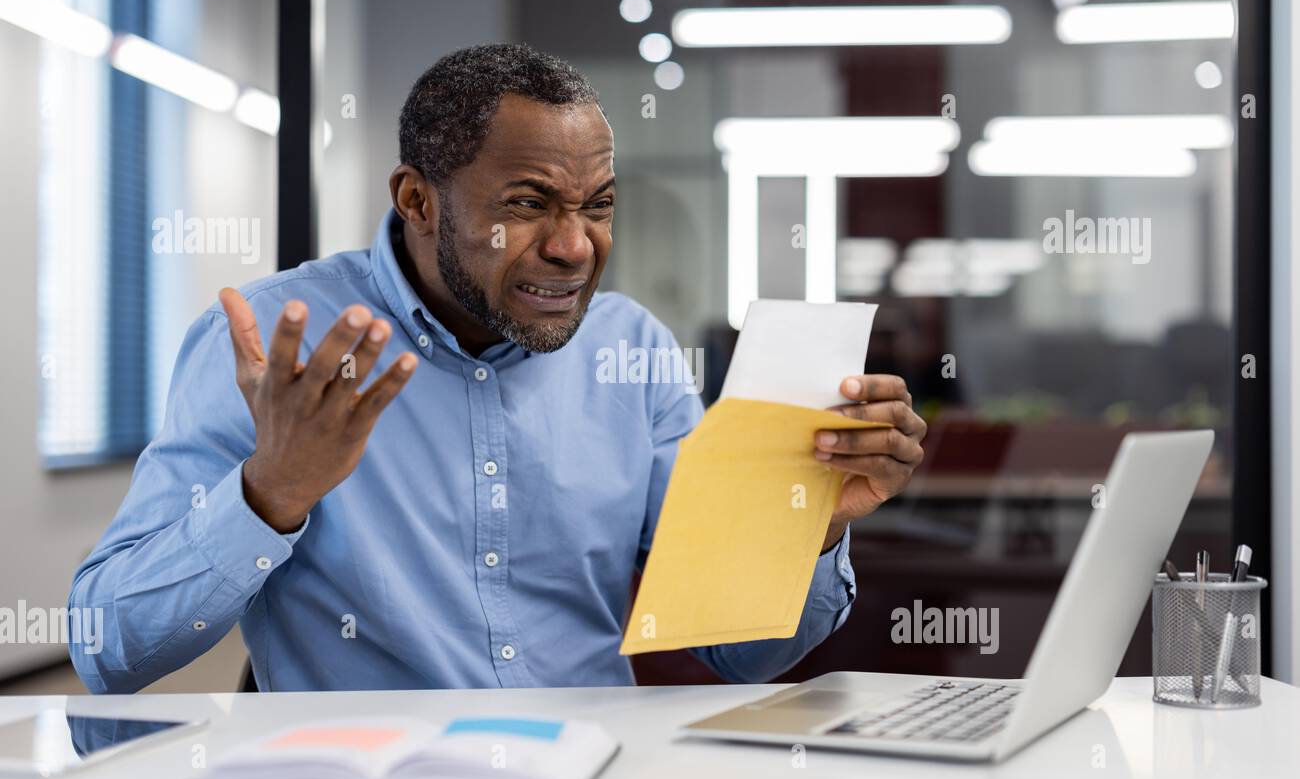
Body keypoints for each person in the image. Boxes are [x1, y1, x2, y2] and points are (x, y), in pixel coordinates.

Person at [69, 43, 926, 693]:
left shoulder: (632, 353)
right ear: (417, 200)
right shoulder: (274, 347)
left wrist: (808, 529)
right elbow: (107, 646)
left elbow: (745, 651)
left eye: (597, 206)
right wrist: (271, 492)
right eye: (526, 205)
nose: (572, 246)